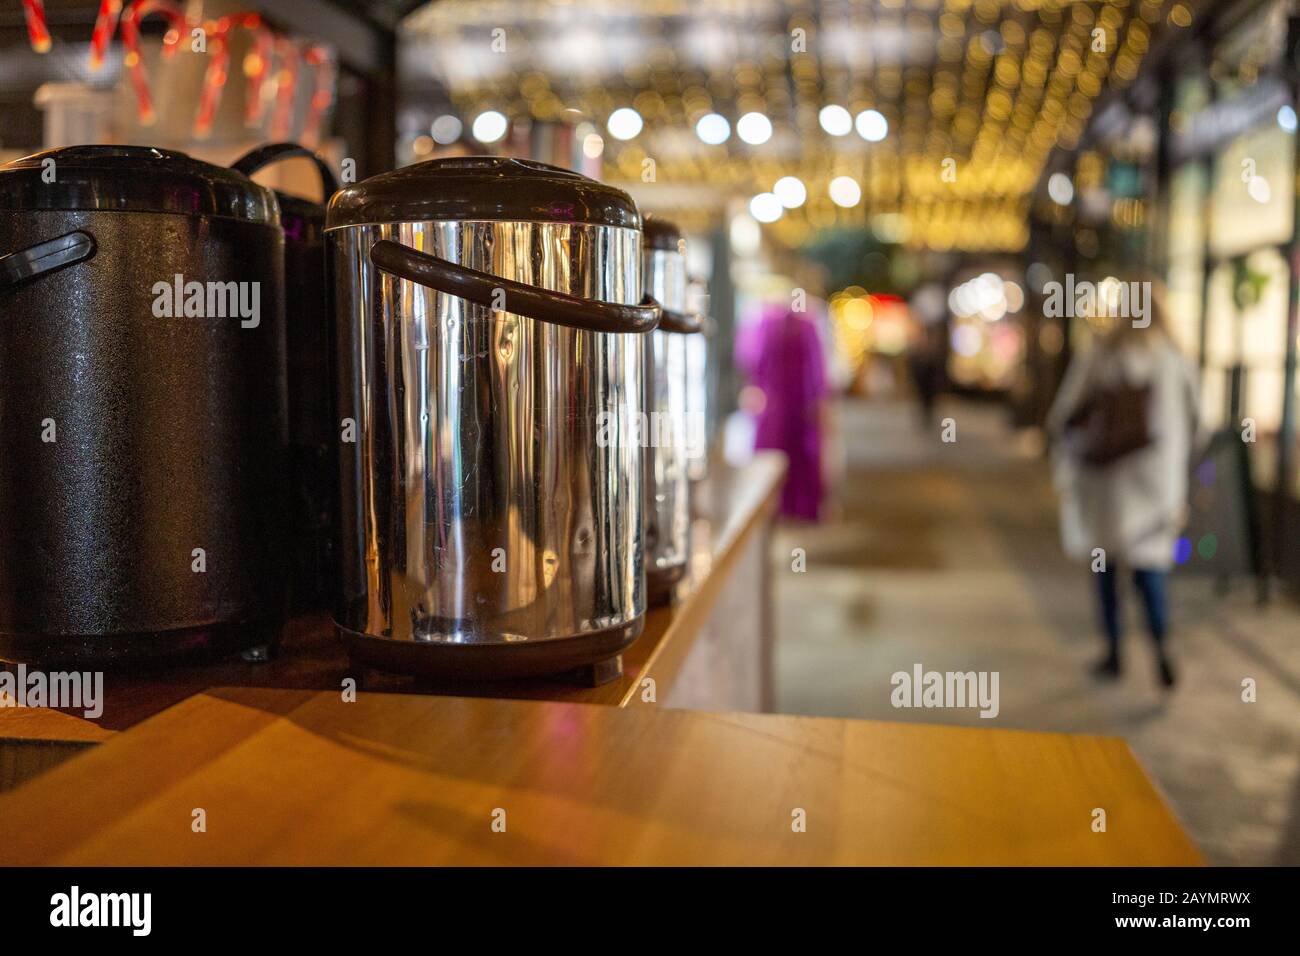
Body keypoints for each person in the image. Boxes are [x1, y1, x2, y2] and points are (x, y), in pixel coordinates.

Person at [1046, 281, 1199, 688]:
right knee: (1150, 569)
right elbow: (1201, 421)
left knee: (1106, 566)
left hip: (1107, 482)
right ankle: (1161, 648)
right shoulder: (1175, 360)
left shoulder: (1102, 353)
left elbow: (1065, 412)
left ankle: (1114, 653)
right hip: (1159, 484)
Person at [736, 301, 829, 521]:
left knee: (775, 454)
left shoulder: (766, 323)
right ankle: (797, 507)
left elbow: (751, 360)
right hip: (798, 402)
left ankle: (775, 508)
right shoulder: (806, 325)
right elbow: (817, 367)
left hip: (778, 403)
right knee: (796, 455)